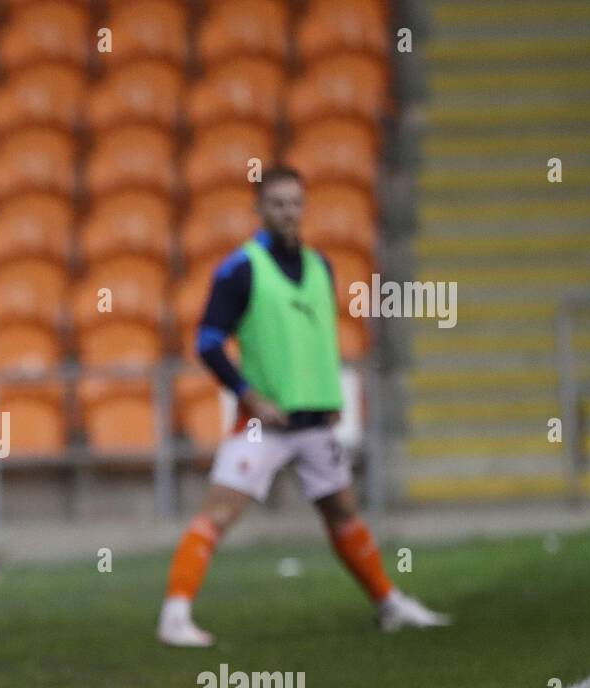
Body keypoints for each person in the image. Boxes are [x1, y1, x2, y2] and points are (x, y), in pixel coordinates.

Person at [158, 166, 450, 647]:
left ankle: (389, 603)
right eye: (277, 203)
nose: (288, 212)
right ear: (258, 209)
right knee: (219, 514)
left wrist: (330, 395)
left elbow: (315, 339)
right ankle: (174, 614)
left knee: (344, 512)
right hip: (263, 425)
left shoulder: (321, 266)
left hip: (314, 421)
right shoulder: (240, 269)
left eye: (295, 202)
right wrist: (249, 395)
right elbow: (208, 342)